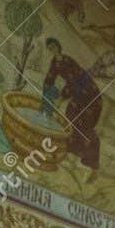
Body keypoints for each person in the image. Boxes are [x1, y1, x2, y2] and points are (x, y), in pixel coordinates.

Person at [42, 38, 100, 170]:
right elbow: (49, 79)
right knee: (70, 116)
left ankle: (91, 160)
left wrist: (61, 97)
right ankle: (71, 149)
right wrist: (46, 95)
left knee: (83, 124)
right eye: (50, 48)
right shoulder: (55, 63)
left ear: (59, 46)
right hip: (78, 94)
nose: (53, 49)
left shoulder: (68, 61)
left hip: (89, 92)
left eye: (54, 46)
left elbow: (75, 79)